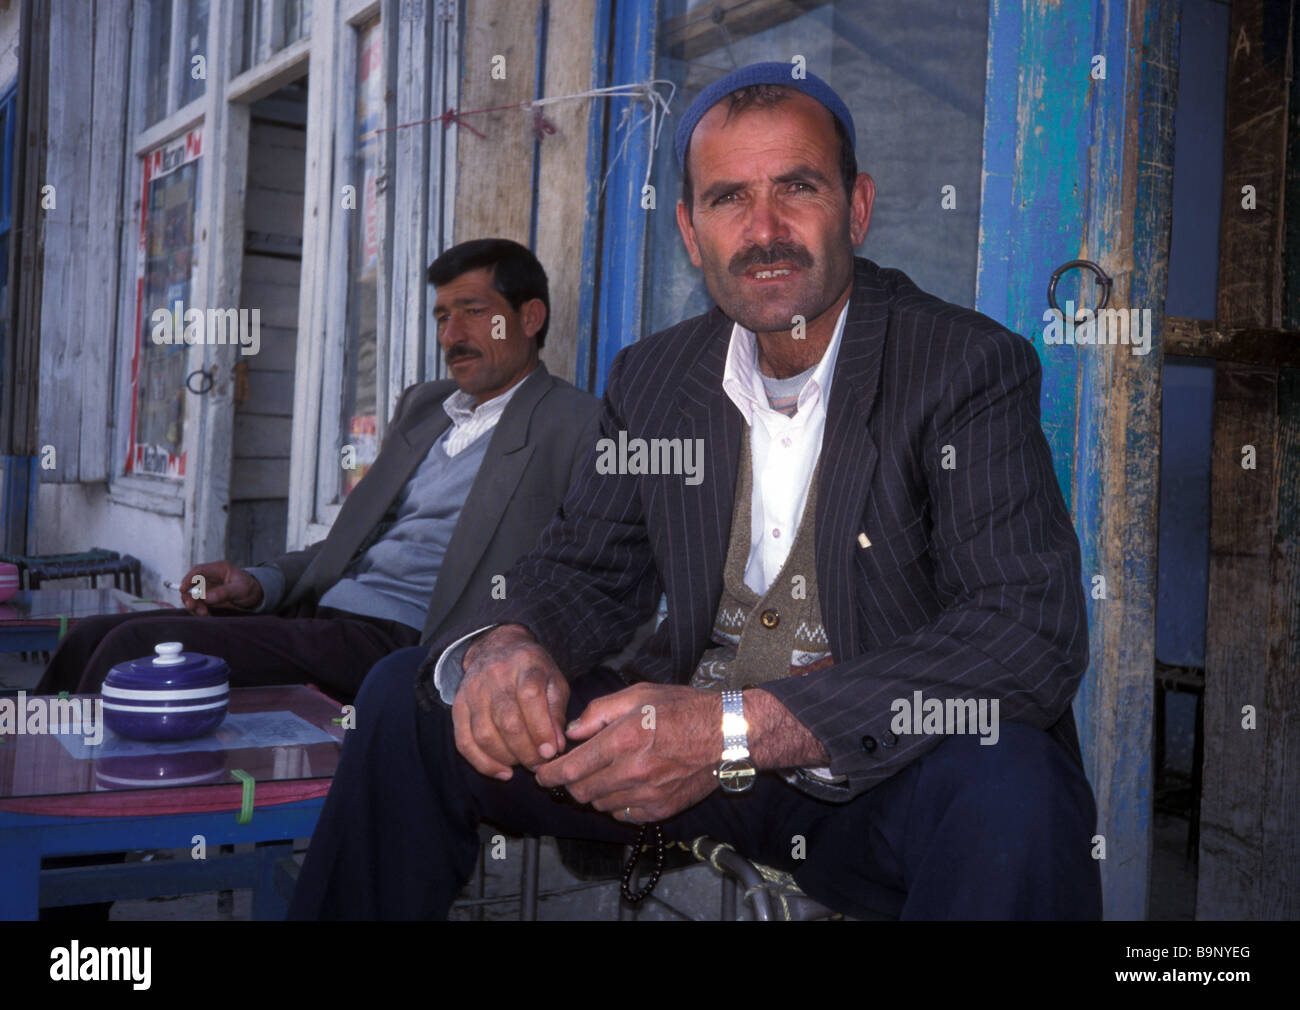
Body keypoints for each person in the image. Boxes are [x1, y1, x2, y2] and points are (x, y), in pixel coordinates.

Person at [288, 63, 1102, 920]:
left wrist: (738, 728)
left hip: (871, 775)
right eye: (727, 199)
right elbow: (589, 568)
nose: (764, 230)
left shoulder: (961, 367)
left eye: (797, 187)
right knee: (411, 695)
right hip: (672, 760)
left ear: (856, 208)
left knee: (1015, 788)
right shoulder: (658, 378)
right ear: (688, 229)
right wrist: (514, 644)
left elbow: (1026, 630)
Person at [38, 238, 601, 703]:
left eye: (475, 313)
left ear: (530, 317)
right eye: (443, 316)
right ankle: (26, 817)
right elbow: (347, 543)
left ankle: (69, 831)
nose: (452, 336)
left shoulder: (575, 423)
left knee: (133, 650)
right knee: (89, 638)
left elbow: (591, 577)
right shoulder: (426, 408)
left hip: (405, 644)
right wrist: (261, 582)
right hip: (325, 618)